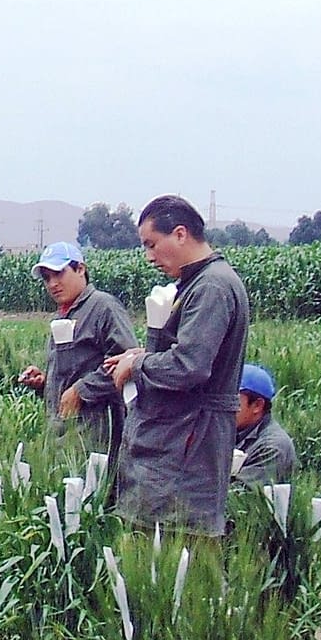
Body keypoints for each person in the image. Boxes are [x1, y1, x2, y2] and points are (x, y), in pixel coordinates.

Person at [104, 196, 250, 536]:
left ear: (181, 234)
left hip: (189, 445)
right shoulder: (199, 282)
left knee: (181, 548)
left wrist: (138, 364)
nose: (149, 256)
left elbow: (190, 366)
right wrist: (140, 355)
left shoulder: (212, 286)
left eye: (152, 244)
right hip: (178, 440)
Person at [15, 240, 137, 453]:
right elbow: (74, 370)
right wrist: (44, 383)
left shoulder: (103, 307)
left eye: (59, 273)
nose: (52, 283)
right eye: (46, 278)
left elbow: (125, 363)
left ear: (80, 269)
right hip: (62, 433)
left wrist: (81, 391)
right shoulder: (64, 315)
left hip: (95, 435)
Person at [231, 363, 296, 489]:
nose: (226, 404)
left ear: (257, 405)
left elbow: (238, 498)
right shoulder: (229, 431)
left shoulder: (273, 447)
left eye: (233, 398)